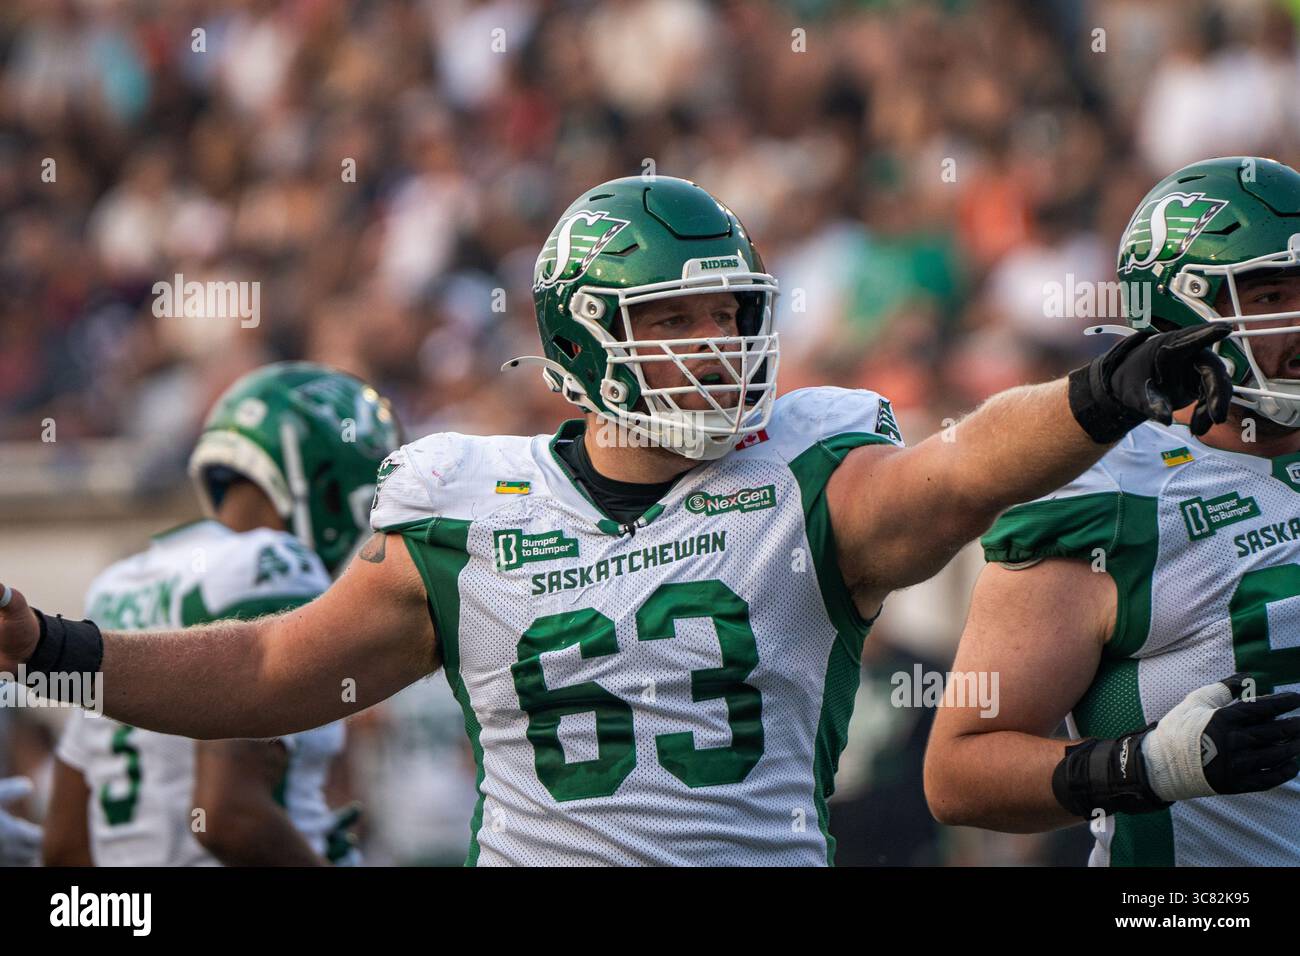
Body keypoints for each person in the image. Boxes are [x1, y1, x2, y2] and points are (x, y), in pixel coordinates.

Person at [0, 175, 1234, 865]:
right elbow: (278, 667)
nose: (717, 346)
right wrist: (54, 645)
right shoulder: (462, 497)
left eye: (728, 313)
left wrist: (1096, 395)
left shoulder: (807, 470)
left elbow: (961, 469)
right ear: (582, 335)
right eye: (673, 321)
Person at [924, 156, 1300, 866]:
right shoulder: (1114, 495)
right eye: (1272, 295)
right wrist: (1150, 767)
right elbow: (959, 775)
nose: (1297, 320)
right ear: (1185, 311)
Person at [35, 362, 399, 866]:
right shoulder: (274, 563)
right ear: (323, 480)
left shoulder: (122, 582)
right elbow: (230, 816)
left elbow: (66, 844)